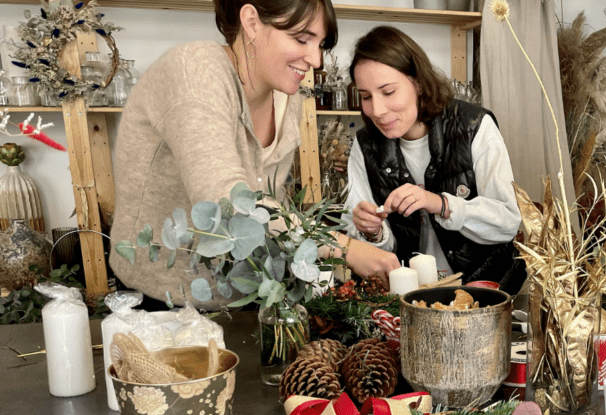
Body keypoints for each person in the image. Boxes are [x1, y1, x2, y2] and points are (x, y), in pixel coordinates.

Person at [110, 0, 399, 309]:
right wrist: (343, 248)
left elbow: (267, 205)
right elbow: (224, 201)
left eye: (320, 44)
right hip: (162, 300)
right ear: (251, 22)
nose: (316, 60)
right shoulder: (194, 71)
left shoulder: (287, 96)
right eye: (302, 39)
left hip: (246, 296)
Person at [344, 26, 526, 293]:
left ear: (418, 82)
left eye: (388, 92)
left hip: (482, 291)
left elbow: (508, 222)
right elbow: (368, 252)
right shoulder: (364, 145)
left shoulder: (474, 126)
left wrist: (440, 204)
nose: (377, 110)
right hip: (408, 299)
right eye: (366, 97)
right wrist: (372, 231)